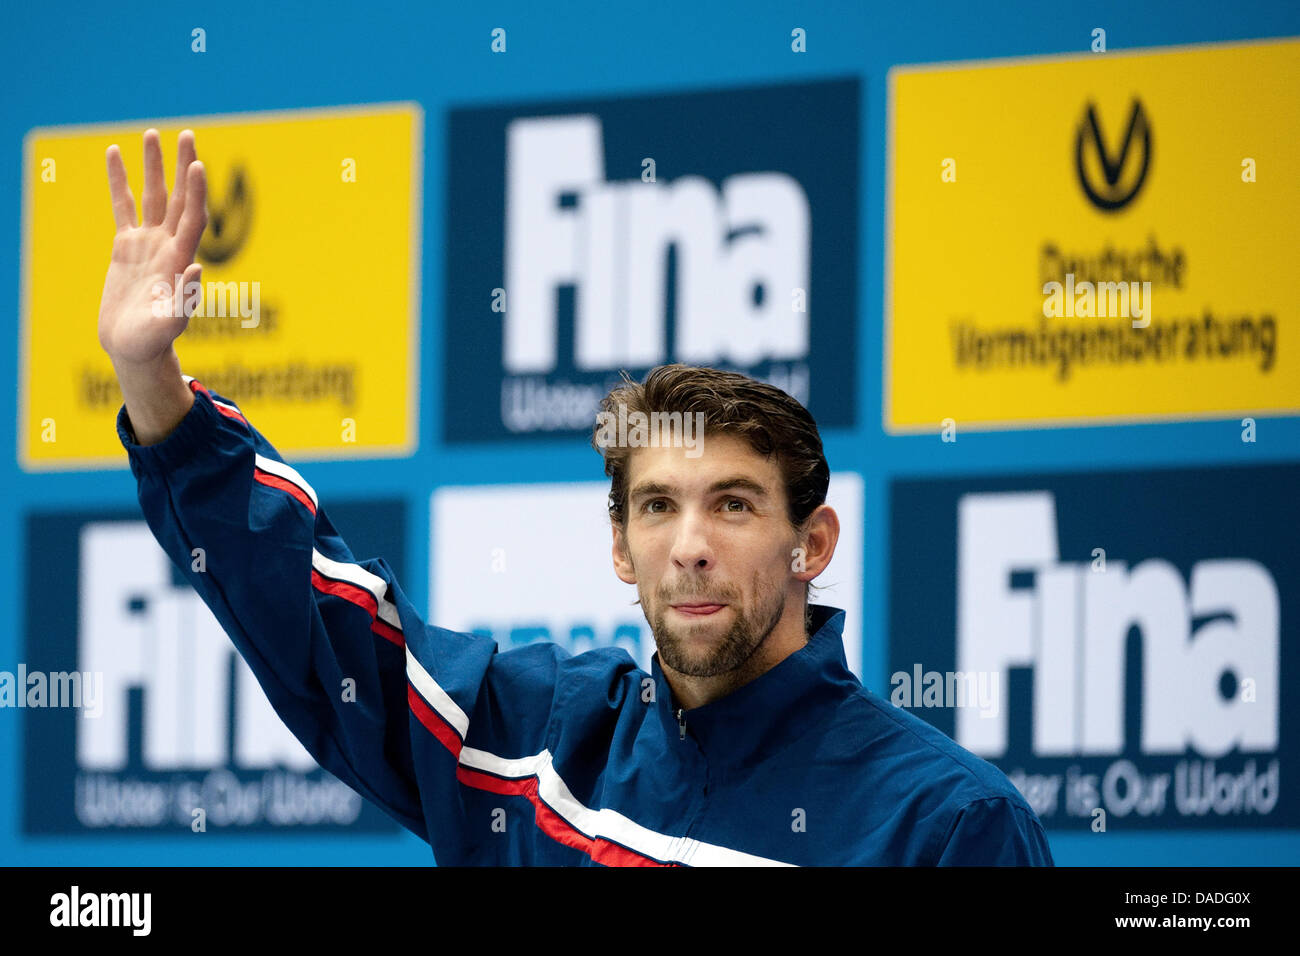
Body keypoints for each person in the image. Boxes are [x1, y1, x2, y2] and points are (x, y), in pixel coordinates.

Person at [99, 128, 1054, 866]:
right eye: (656, 507)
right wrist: (155, 386)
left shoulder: (945, 824)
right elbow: (318, 620)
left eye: (732, 504)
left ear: (812, 542)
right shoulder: (537, 746)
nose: (689, 546)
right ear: (617, 546)